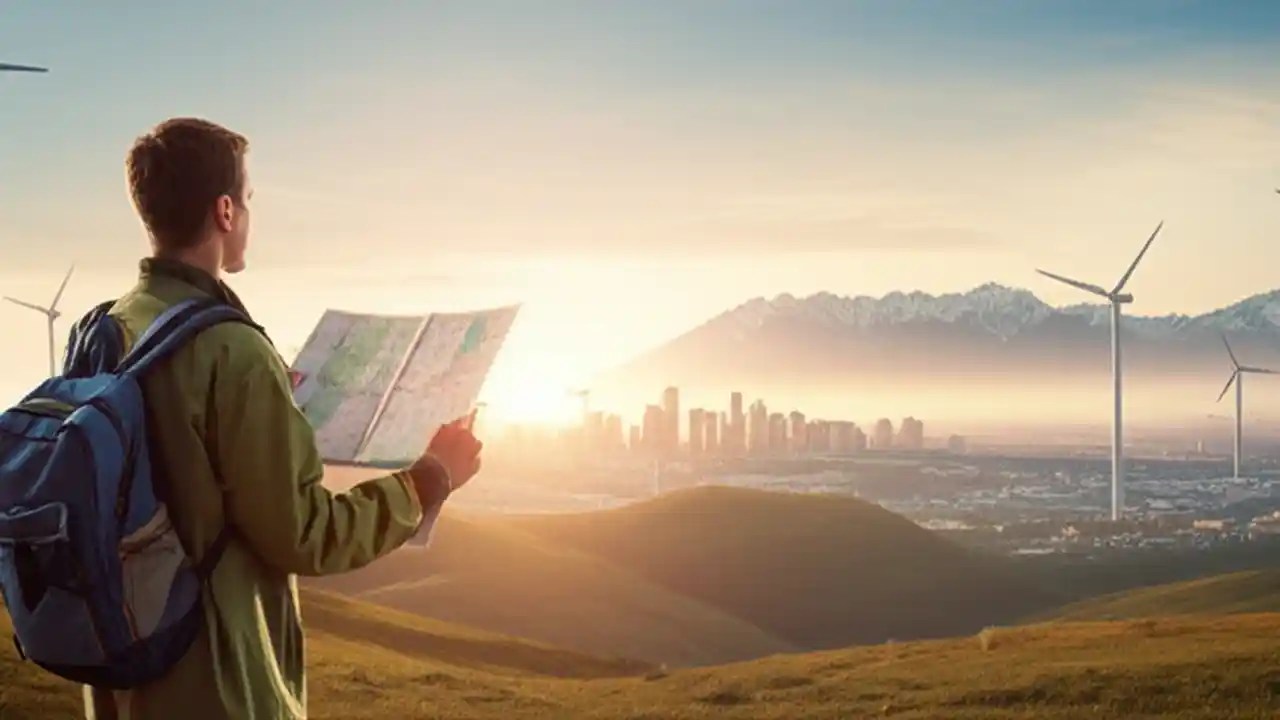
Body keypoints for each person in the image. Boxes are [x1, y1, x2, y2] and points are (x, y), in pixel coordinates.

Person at [81, 117, 483, 720]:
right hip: (214, 685)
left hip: (121, 675)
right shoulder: (232, 351)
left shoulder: (107, 325)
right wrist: (429, 479)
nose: (247, 213)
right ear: (225, 211)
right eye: (247, 198)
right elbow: (304, 534)